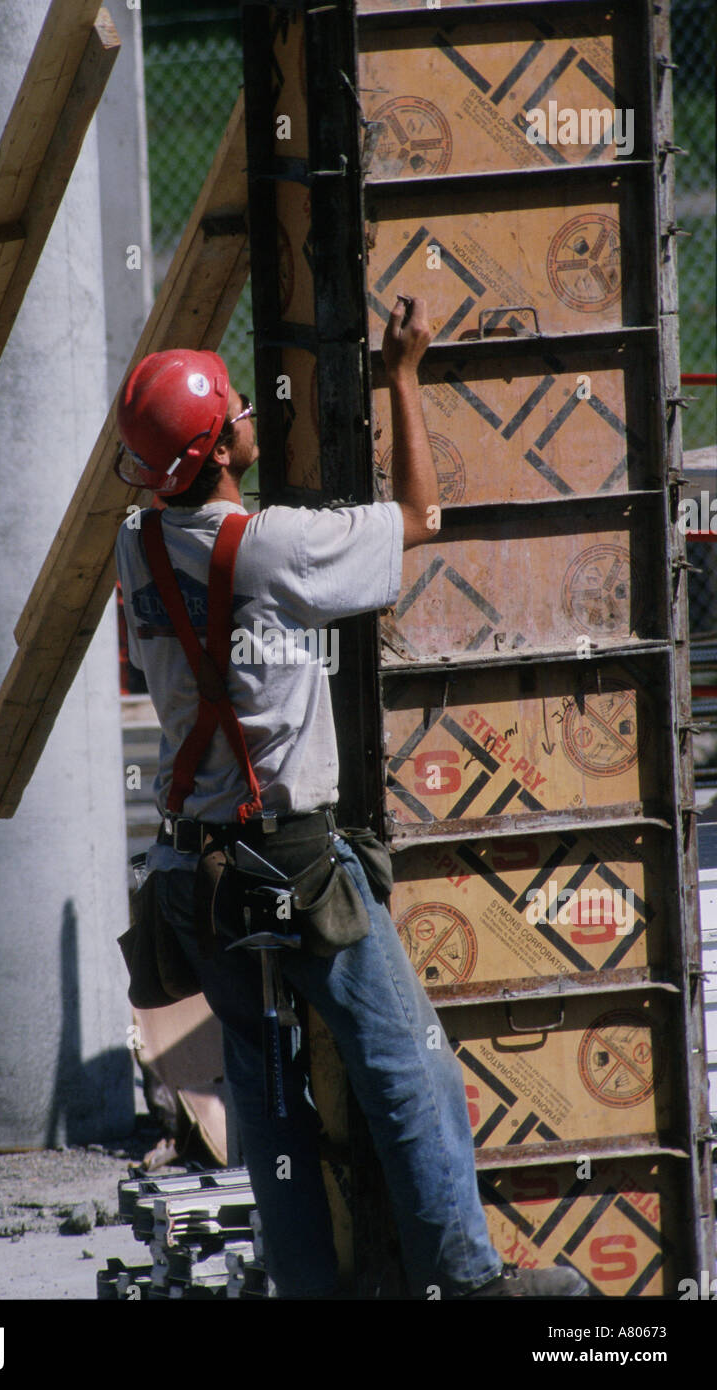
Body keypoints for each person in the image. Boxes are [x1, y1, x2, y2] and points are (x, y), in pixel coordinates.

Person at [113, 296, 587, 1300]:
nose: (251, 410)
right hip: (285, 856)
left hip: (190, 874)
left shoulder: (136, 546)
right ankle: (466, 1284)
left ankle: (310, 1288)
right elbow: (421, 518)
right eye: (238, 407)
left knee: (270, 1093)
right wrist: (402, 376)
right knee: (406, 1066)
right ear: (221, 451)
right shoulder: (278, 549)